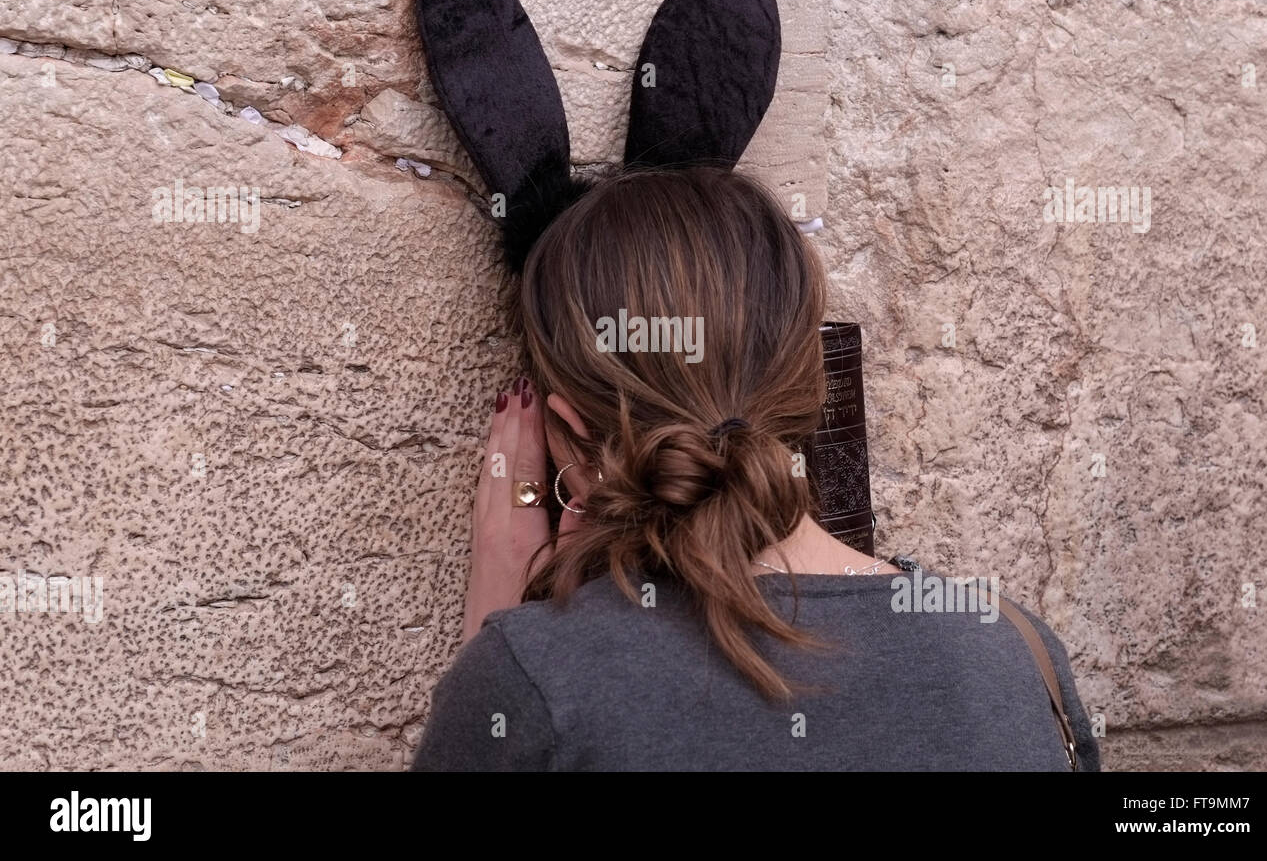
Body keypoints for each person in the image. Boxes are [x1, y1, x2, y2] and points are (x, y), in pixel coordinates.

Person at [411, 166, 1101, 771]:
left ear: (566, 431)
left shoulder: (532, 680)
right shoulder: (1013, 650)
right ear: (812, 386)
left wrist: (498, 644)